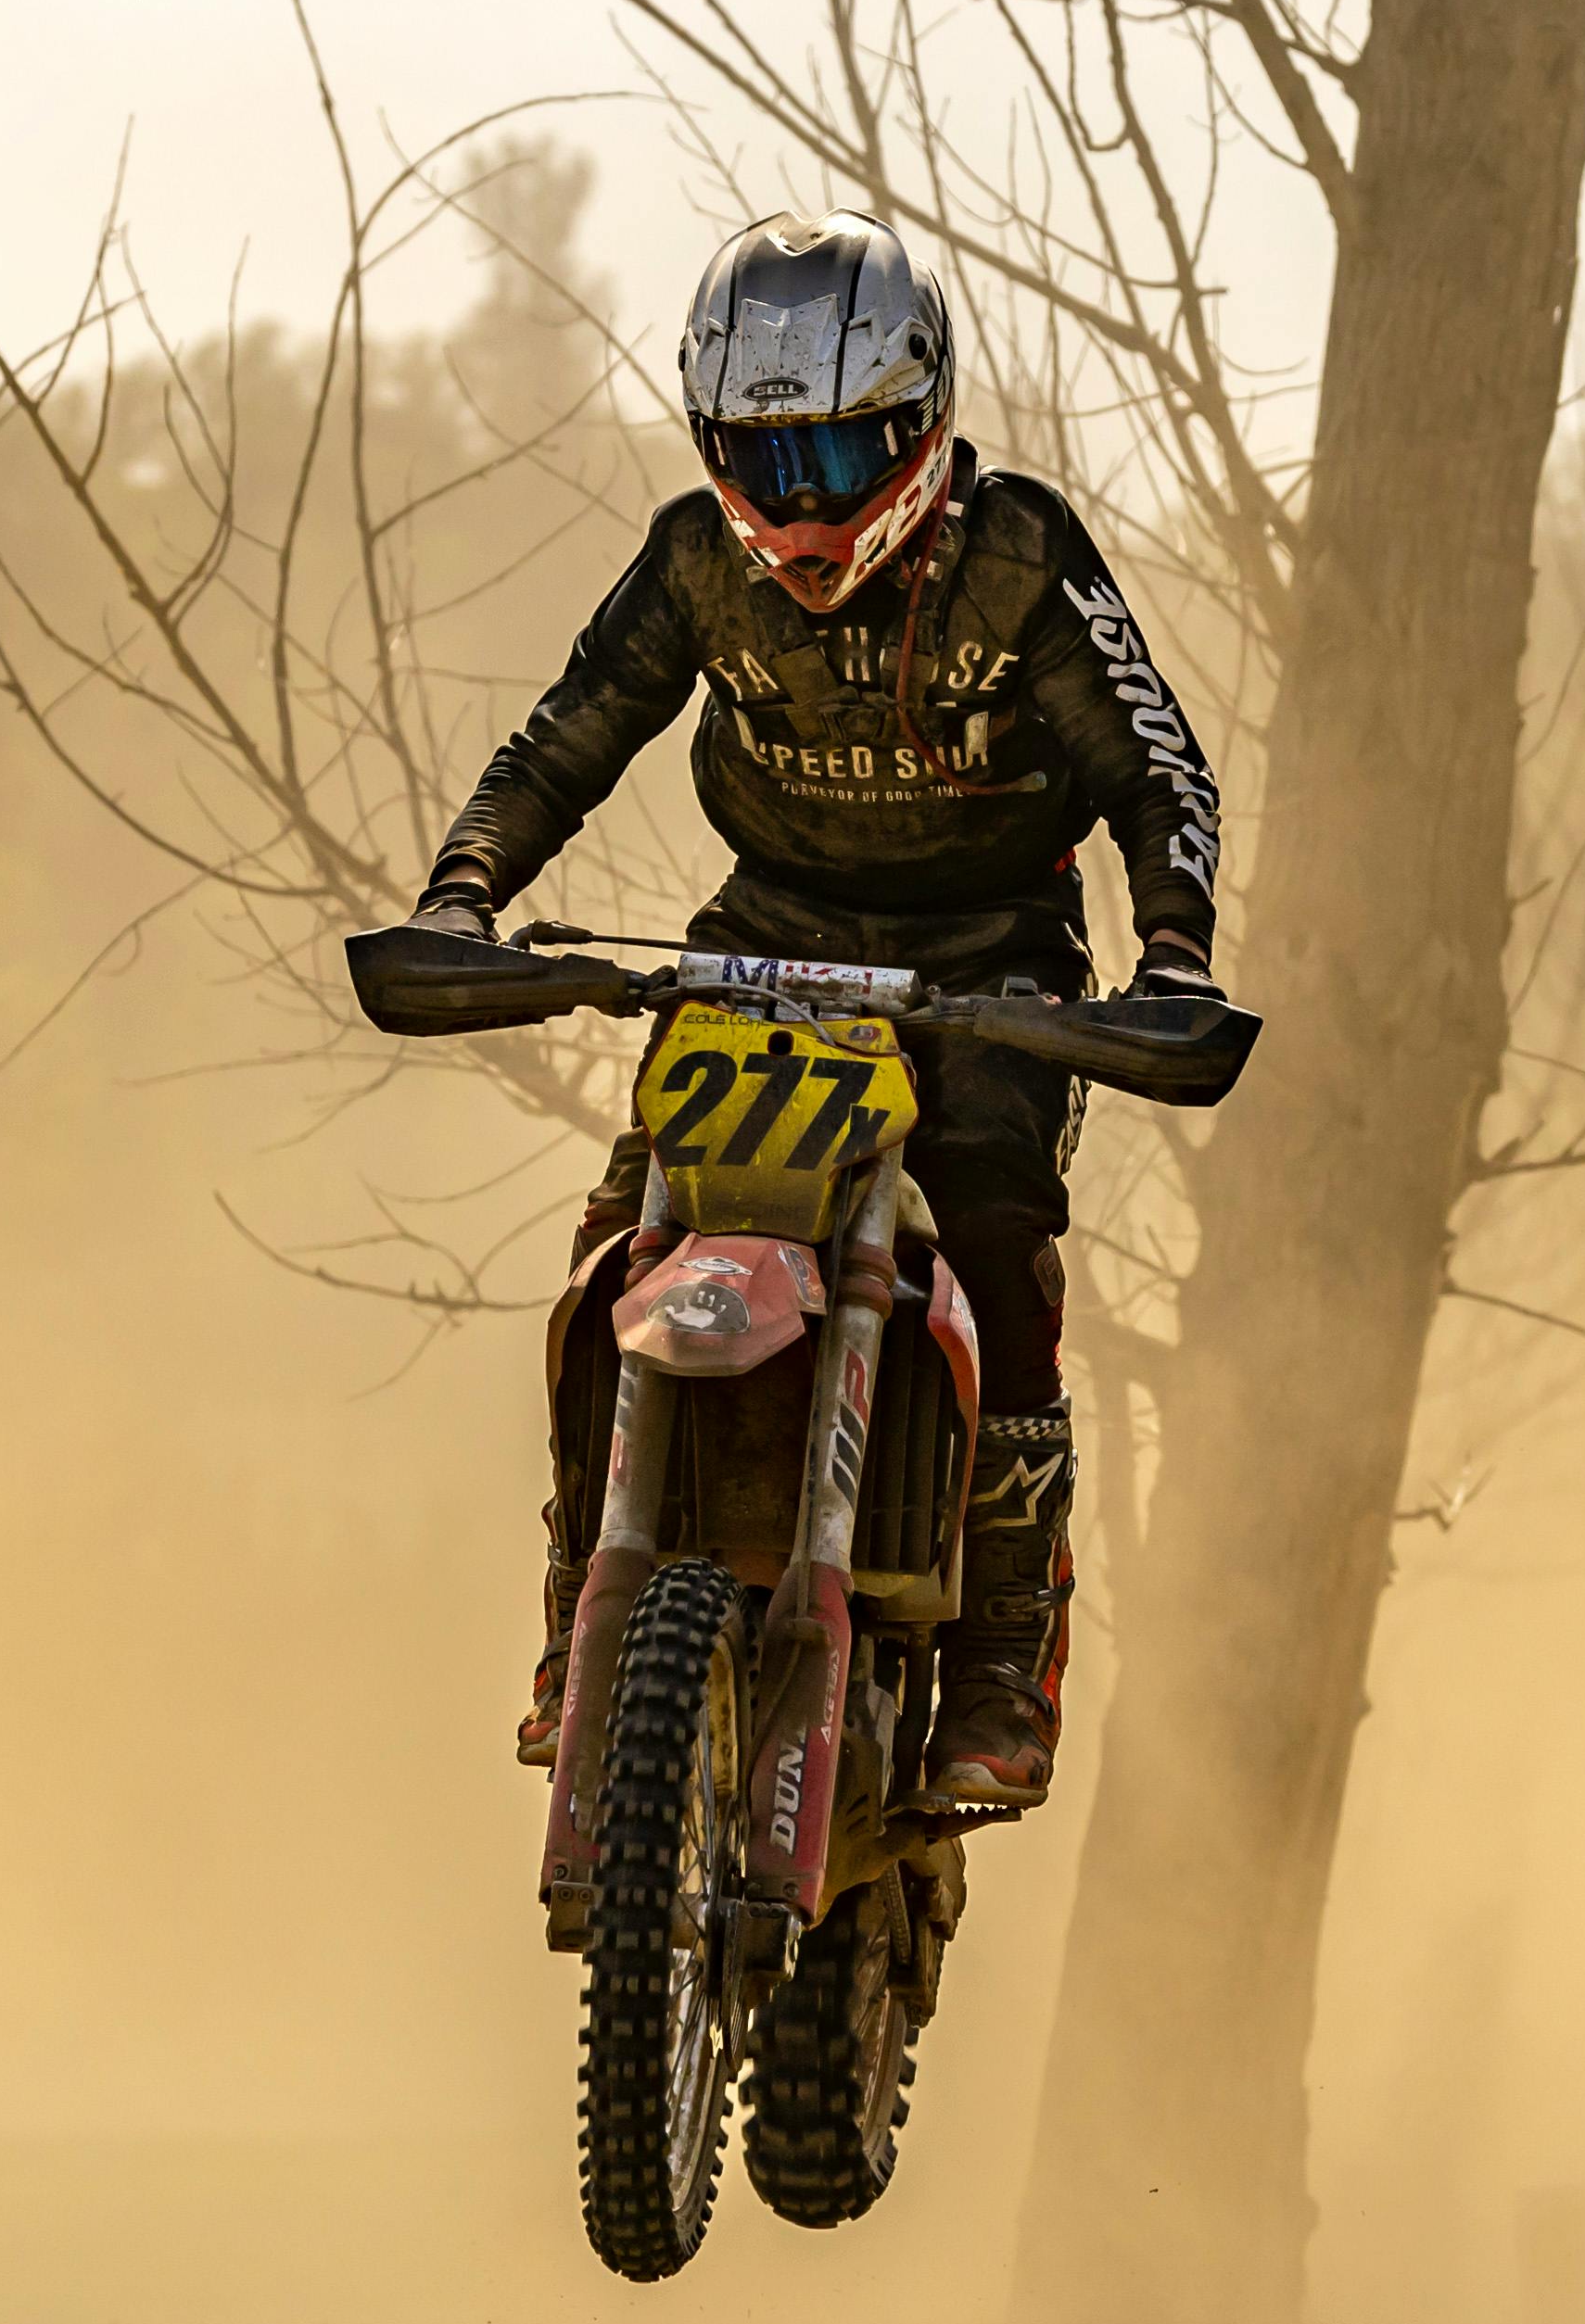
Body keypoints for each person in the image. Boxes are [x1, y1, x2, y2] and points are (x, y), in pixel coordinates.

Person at [411, 209, 1226, 1813]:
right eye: (769, 461)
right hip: (770, 934)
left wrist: (1177, 954)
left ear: (922, 421)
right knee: (619, 1235)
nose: (804, 507)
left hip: (991, 953)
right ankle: (583, 1611)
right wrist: (462, 895)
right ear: (713, 445)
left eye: (843, 455)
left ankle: (1004, 1655)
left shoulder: (1021, 556)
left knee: (997, 1238)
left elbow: (1157, 772)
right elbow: (566, 739)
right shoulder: (694, 561)